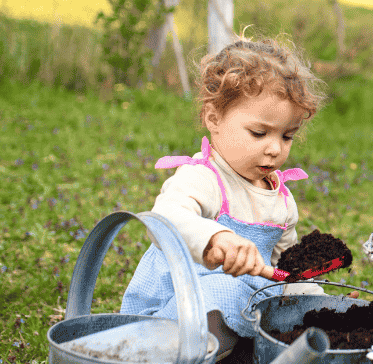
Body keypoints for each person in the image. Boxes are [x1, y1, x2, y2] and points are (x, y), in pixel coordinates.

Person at [121, 35, 327, 361]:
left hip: (239, 316)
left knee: (274, 307)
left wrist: (320, 307)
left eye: (287, 136)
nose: (275, 148)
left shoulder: (281, 203)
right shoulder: (204, 178)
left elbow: (287, 273)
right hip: (171, 315)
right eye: (259, 133)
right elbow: (164, 219)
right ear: (214, 119)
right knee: (226, 290)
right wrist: (216, 238)